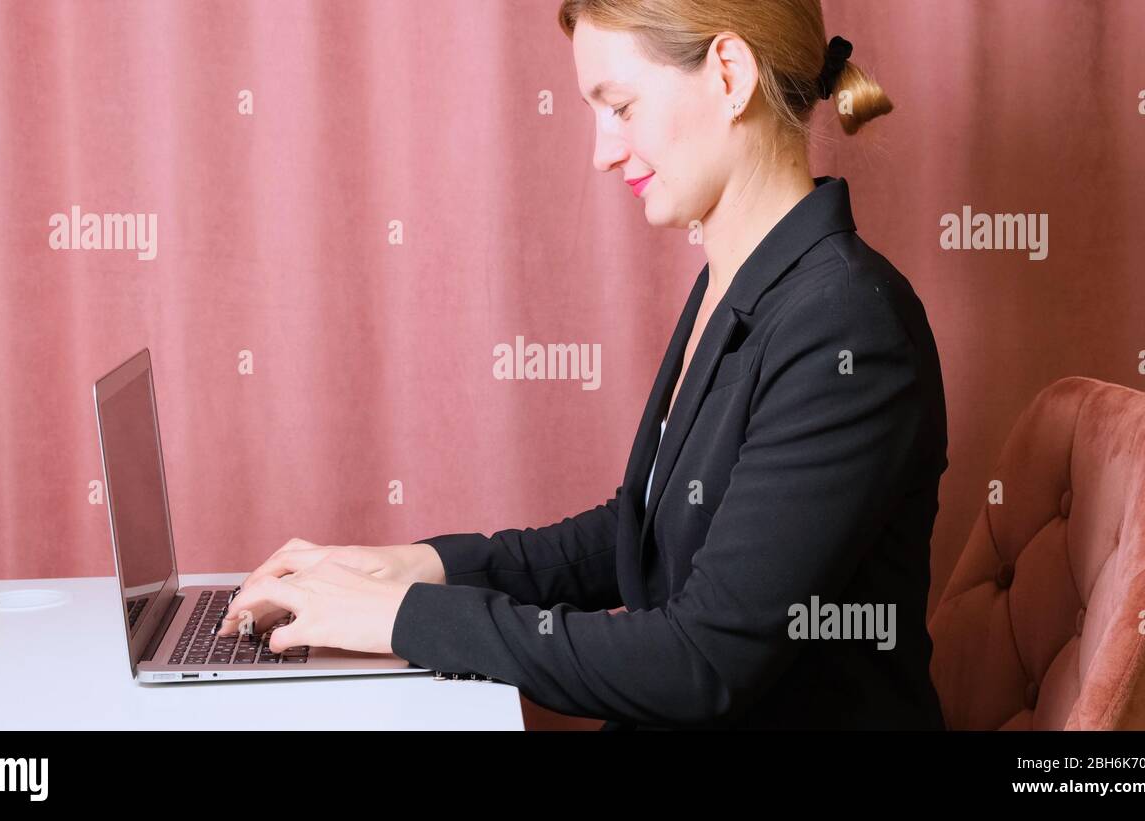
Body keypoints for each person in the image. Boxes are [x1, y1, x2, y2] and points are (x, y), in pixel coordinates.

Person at [220, 0, 948, 730]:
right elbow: (646, 531)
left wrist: (407, 617)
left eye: (621, 107)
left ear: (730, 74)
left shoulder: (848, 324)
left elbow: (700, 659)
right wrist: (417, 567)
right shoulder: (742, 282)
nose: (602, 151)